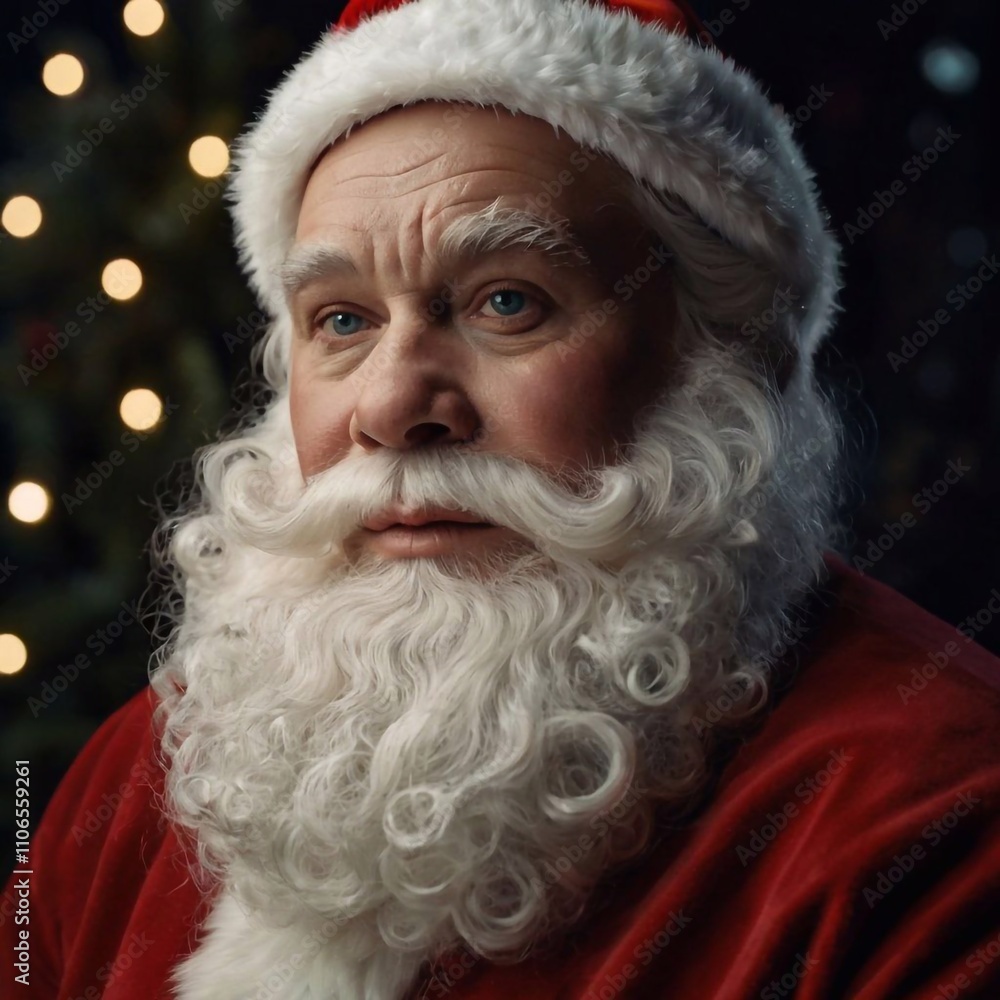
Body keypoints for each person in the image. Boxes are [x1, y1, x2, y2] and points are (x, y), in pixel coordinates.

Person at [5, 0, 1000, 997]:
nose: (392, 405)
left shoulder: (938, 827)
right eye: (341, 319)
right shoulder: (149, 767)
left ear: (721, 354)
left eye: (506, 301)